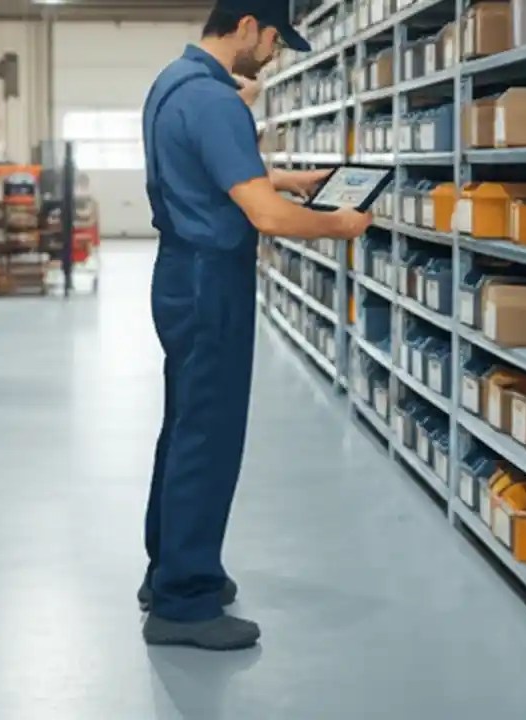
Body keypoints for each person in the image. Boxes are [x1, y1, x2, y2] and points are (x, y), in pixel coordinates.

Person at [139, 0, 373, 651]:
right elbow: (265, 218)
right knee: (209, 436)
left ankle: (170, 570)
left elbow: (217, 170)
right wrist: (338, 223)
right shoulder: (219, 102)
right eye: (272, 40)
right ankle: (184, 603)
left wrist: (294, 180)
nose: (272, 54)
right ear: (246, 26)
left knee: (186, 423)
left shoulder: (174, 84)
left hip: (181, 273)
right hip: (211, 278)